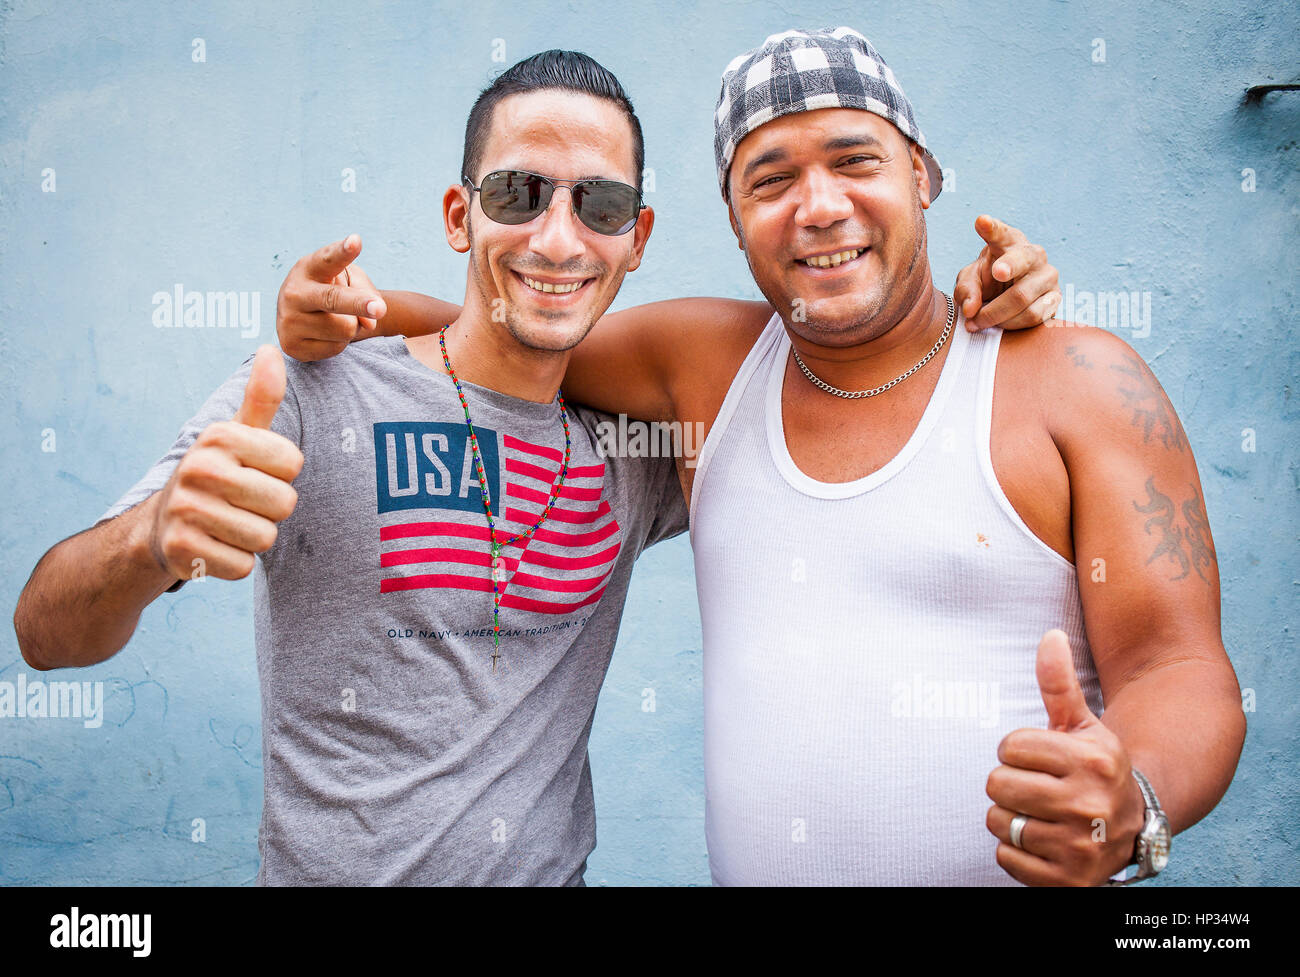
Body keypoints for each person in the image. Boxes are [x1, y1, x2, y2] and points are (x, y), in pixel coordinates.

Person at [12, 48, 1060, 886]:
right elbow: (45, 631)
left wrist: (978, 304)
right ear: (459, 216)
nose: (559, 238)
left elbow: (853, 369)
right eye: (519, 193)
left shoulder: (644, 444)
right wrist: (150, 541)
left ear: (636, 237)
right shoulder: (310, 392)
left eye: (599, 206)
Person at [277, 29, 1243, 886]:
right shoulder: (709, 370)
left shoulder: (1078, 381)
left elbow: (1182, 664)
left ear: (924, 178)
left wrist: (1135, 806)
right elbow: (513, 324)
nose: (818, 207)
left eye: (855, 160)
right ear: (735, 221)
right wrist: (340, 313)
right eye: (770, 179)